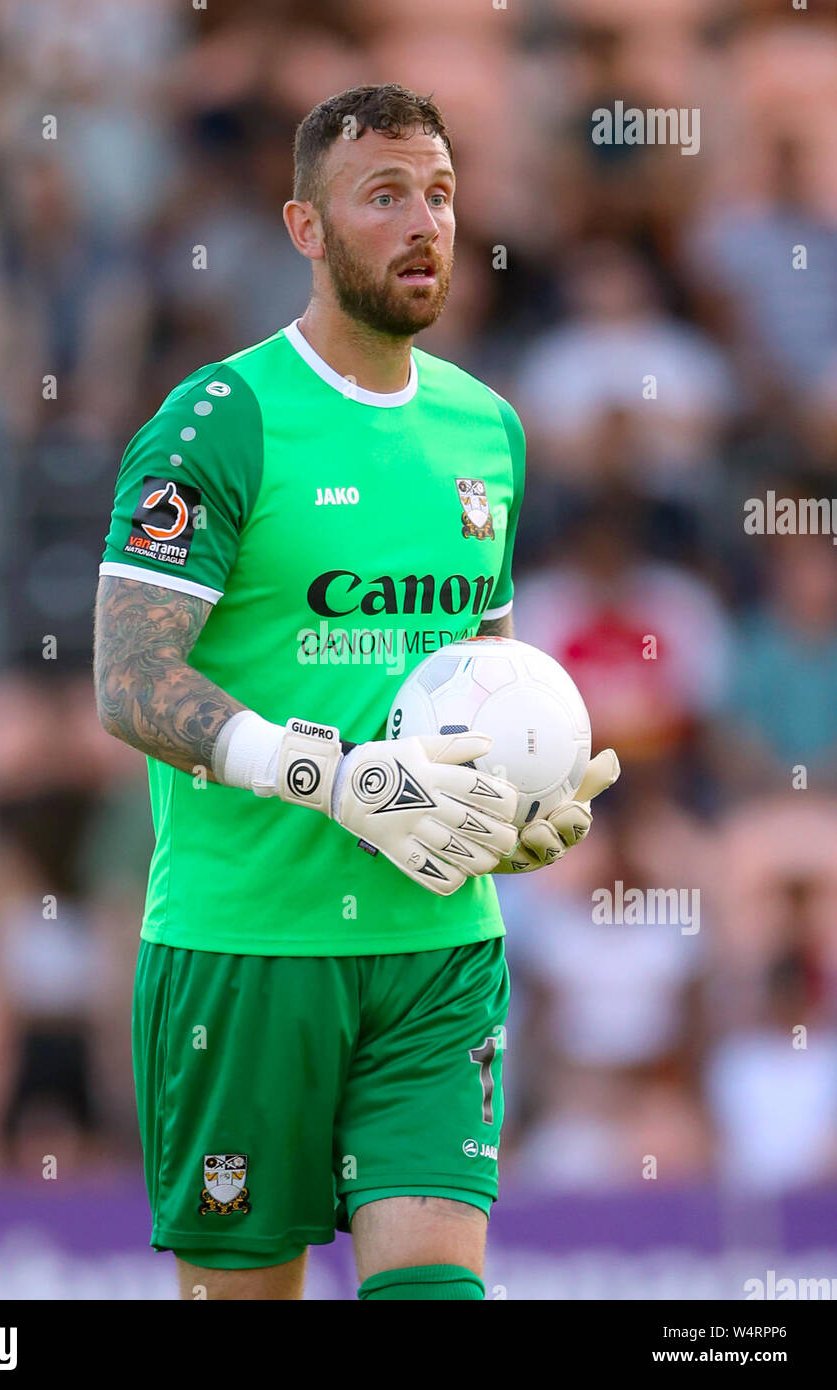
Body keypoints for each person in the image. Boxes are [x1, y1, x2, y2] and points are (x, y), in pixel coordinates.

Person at [93, 83, 618, 1302]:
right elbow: (127, 683)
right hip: (247, 943)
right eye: (382, 196)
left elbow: (476, 675)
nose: (423, 222)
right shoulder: (218, 420)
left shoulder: (486, 430)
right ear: (305, 229)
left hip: (437, 945)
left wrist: (521, 811)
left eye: (438, 194)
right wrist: (331, 779)